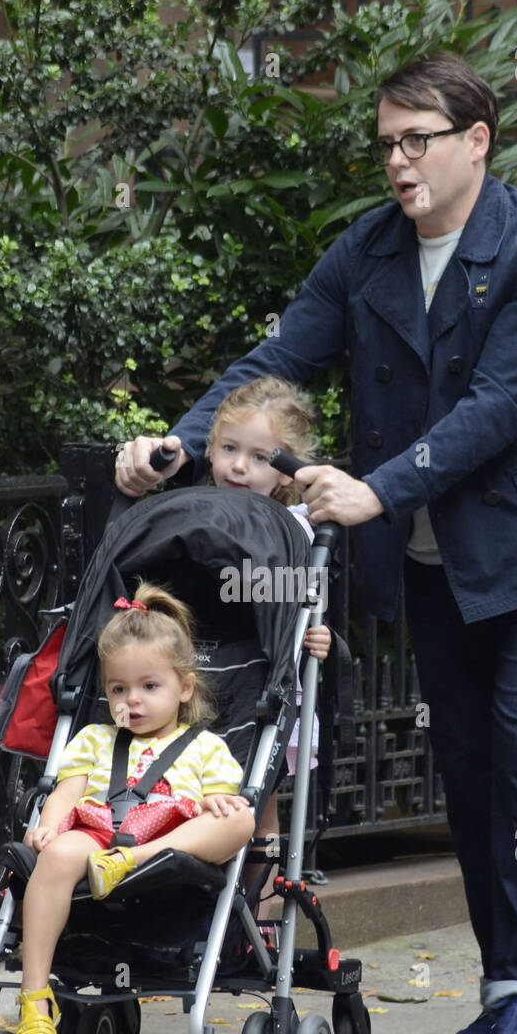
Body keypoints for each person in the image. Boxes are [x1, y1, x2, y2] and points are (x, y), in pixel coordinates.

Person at [115, 53, 517, 1034]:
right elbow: (279, 358)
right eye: (386, 140)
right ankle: (503, 986)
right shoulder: (369, 250)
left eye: (417, 139)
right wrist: (176, 440)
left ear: (476, 141)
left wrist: (381, 487)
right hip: (438, 561)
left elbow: (502, 408)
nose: (398, 160)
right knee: (473, 771)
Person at [14, 581, 255, 1034]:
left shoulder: (206, 747)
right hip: (100, 831)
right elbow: (68, 792)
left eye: (149, 687)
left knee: (240, 819)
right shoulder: (93, 740)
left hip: (170, 843)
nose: (133, 702)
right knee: (60, 852)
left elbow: (217, 801)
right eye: (118, 689)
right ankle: (35, 1001)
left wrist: (216, 803)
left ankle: (132, 859)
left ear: (184, 686)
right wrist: (48, 824)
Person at [204, 375, 332, 901]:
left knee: (262, 801)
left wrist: (318, 636)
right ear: (211, 448)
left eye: (260, 457)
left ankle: (251, 913)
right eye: (229, 449)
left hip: (268, 687)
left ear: (284, 470)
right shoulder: (193, 517)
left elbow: (306, 605)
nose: (239, 466)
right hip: (206, 673)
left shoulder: (293, 528)